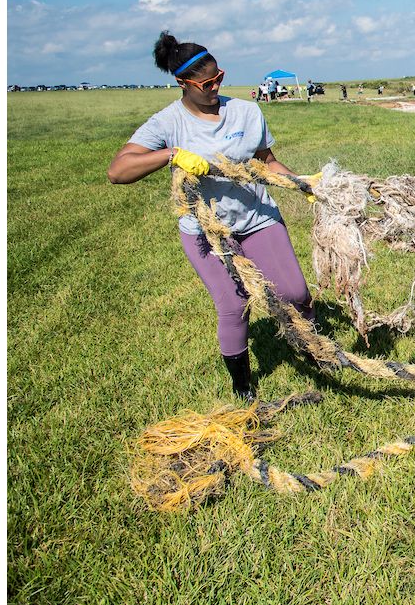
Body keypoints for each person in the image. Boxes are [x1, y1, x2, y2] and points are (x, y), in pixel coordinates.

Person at [107, 31, 315, 401]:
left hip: (257, 218)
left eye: (220, 77)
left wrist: (303, 184)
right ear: (183, 84)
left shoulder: (246, 111)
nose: (216, 86)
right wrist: (171, 155)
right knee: (234, 305)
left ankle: (316, 354)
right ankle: (243, 387)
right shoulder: (168, 122)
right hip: (206, 231)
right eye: (207, 83)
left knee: (295, 293)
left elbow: (267, 162)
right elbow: (118, 171)